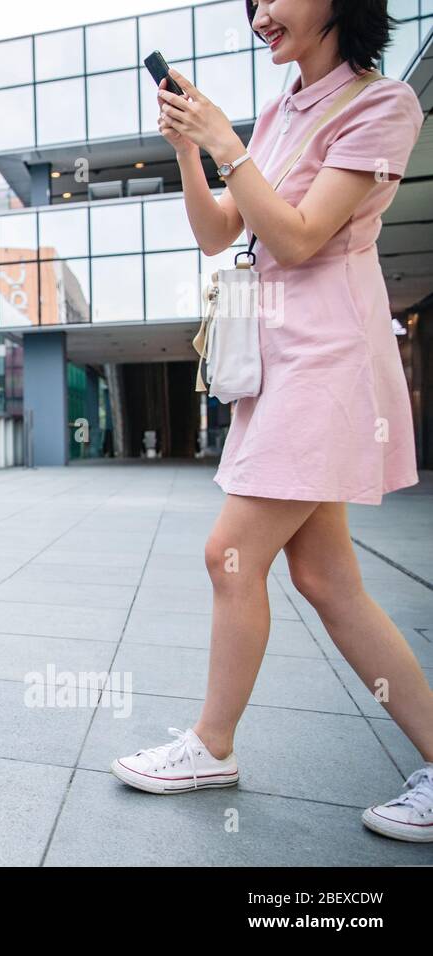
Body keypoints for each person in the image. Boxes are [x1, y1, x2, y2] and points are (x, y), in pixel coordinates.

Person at [113, 0, 433, 843]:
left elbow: (296, 239)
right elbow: (224, 232)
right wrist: (192, 151)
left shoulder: (382, 106)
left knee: (228, 554)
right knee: (328, 582)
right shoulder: (282, 111)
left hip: (328, 362)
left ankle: (213, 745)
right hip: (279, 363)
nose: (260, 15)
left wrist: (227, 143)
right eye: (251, 3)